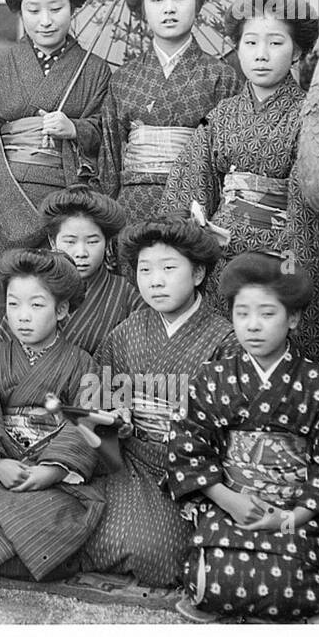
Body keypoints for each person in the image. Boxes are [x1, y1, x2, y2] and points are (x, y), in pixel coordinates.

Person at [169, 253, 319, 623]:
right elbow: (188, 447)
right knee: (212, 575)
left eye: (267, 313)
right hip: (232, 502)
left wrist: (290, 516)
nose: (253, 326)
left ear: (293, 318)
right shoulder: (211, 378)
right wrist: (228, 500)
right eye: (242, 313)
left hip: (298, 509)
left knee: (297, 574)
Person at [160, 0, 319, 366]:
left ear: (299, 52)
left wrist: (292, 263)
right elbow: (191, 184)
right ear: (236, 48)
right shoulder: (222, 115)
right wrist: (198, 227)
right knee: (217, 353)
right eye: (250, 42)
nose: (260, 54)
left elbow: (312, 204)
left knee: (279, 339)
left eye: (275, 43)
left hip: (282, 252)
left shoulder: (311, 116)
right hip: (220, 255)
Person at [0, 0, 111, 350]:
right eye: (33, 10)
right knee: (5, 297)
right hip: (2, 198)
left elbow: (110, 134)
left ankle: (61, 383)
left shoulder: (94, 70)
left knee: (62, 295)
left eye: (56, 9)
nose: (45, 20)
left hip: (63, 202)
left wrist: (76, 128)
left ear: (73, 10)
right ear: (19, 12)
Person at [78, 217, 234, 588]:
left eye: (168, 268)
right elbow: (99, 400)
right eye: (144, 270)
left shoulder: (224, 338)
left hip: (189, 470)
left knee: (154, 551)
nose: (155, 281)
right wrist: (114, 416)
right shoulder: (128, 330)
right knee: (66, 522)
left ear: (197, 273)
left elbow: (232, 423)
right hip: (128, 460)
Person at [0, 250, 104, 581]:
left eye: (36, 305)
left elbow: (86, 422)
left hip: (53, 479)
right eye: (13, 304)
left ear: (62, 309)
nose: (22, 316)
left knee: (49, 527)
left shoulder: (82, 365)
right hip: (1, 473)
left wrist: (51, 471)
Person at [98, 0, 242, 229]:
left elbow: (231, 160)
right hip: (133, 206)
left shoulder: (221, 76)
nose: (169, 8)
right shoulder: (123, 79)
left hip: (197, 205)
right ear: (142, 9)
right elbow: (109, 158)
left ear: (198, 4)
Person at [41, 185, 144, 355]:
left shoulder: (128, 295)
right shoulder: (32, 287)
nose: (81, 253)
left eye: (92, 241)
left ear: (107, 242)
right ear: (53, 242)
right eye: (70, 241)